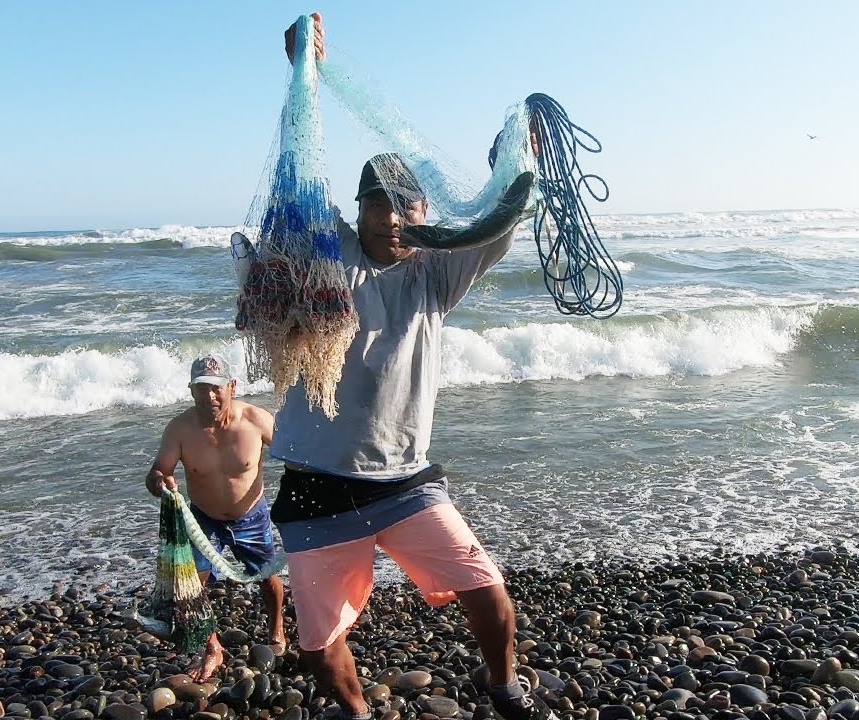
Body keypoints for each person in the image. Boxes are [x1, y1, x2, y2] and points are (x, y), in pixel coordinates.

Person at [275, 14, 558, 720]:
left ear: (424, 210)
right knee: (318, 639)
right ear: (360, 210)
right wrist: (301, 72)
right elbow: (296, 180)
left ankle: (502, 684)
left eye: (406, 205)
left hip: (406, 480)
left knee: (487, 588)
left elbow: (501, 219)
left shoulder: (436, 276)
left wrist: (516, 159)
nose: (394, 217)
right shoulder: (328, 255)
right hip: (317, 483)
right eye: (380, 204)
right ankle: (358, 710)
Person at [146, 354, 285, 682]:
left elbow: (298, 454)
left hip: (252, 516)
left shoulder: (254, 419)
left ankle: (277, 629)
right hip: (204, 520)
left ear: (232, 387)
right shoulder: (180, 429)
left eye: (216, 388)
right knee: (193, 583)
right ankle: (212, 646)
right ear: (191, 391)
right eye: (201, 388)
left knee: (268, 577)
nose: (209, 396)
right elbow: (155, 474)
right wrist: (160, 483)